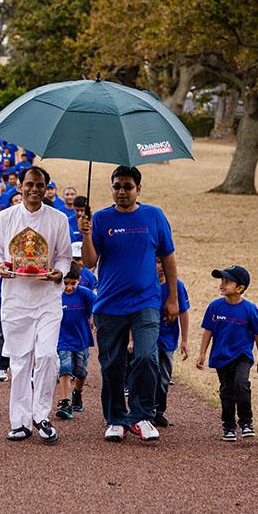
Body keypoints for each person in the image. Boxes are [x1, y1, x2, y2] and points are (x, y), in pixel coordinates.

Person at [79, 165, 179, 443]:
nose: (122, 191)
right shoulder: (100, 219)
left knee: (146, 356)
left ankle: (142, 415)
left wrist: (172, 298)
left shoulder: (154, 216)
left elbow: (168, 257)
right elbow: (89, 262)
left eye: (128, 187)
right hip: (109, 304)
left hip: (146, 301)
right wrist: (85, 234)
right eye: (117, 186)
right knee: (112, 364)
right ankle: (115, 419)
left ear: (138, 189)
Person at [0, 166, 72, 444]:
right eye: (29, 184)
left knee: (47, 356)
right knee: (21, 362)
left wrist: (59, 272)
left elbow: (64, 256)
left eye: (39, 185)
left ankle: (41, 416)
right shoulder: (6, 217)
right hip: (16, 299)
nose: (34, 189)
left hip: (47, 298)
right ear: (19, 186)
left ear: (47, 188)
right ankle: (20, 422)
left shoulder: (58, 219)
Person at [196, 265, 258, 441]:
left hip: (242, 355)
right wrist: (202, 353)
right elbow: (208, 331)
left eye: (227, 282)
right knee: (227, 391)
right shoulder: (215, 306)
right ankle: (228, 426)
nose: (222, 284)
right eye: (222, 280)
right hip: (221, 356)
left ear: (240, 288)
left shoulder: (249, 309)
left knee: (241, 385)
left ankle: (246, 423)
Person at [54, 263, 94, 420]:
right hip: (62, 338)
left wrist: (94, 320)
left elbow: (96, 308)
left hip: (81, 339)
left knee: (81, 371)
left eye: (73, 283)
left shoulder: (85, 294)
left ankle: (77, 393)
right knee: (64, 368)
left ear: (79, 280)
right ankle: (65, 402)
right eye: (65, 283)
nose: (69, 287)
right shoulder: (56, 294)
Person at [153, 256, 190, 427]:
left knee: (164, 376)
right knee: (148, 371)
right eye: (156, 262)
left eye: (163, 262)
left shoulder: (176, 286)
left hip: (168, 338)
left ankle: (159, 411)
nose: (160, 266)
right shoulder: (145, 284)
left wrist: (185, 340)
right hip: (148, 336)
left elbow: (183, 312)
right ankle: (146, 410)